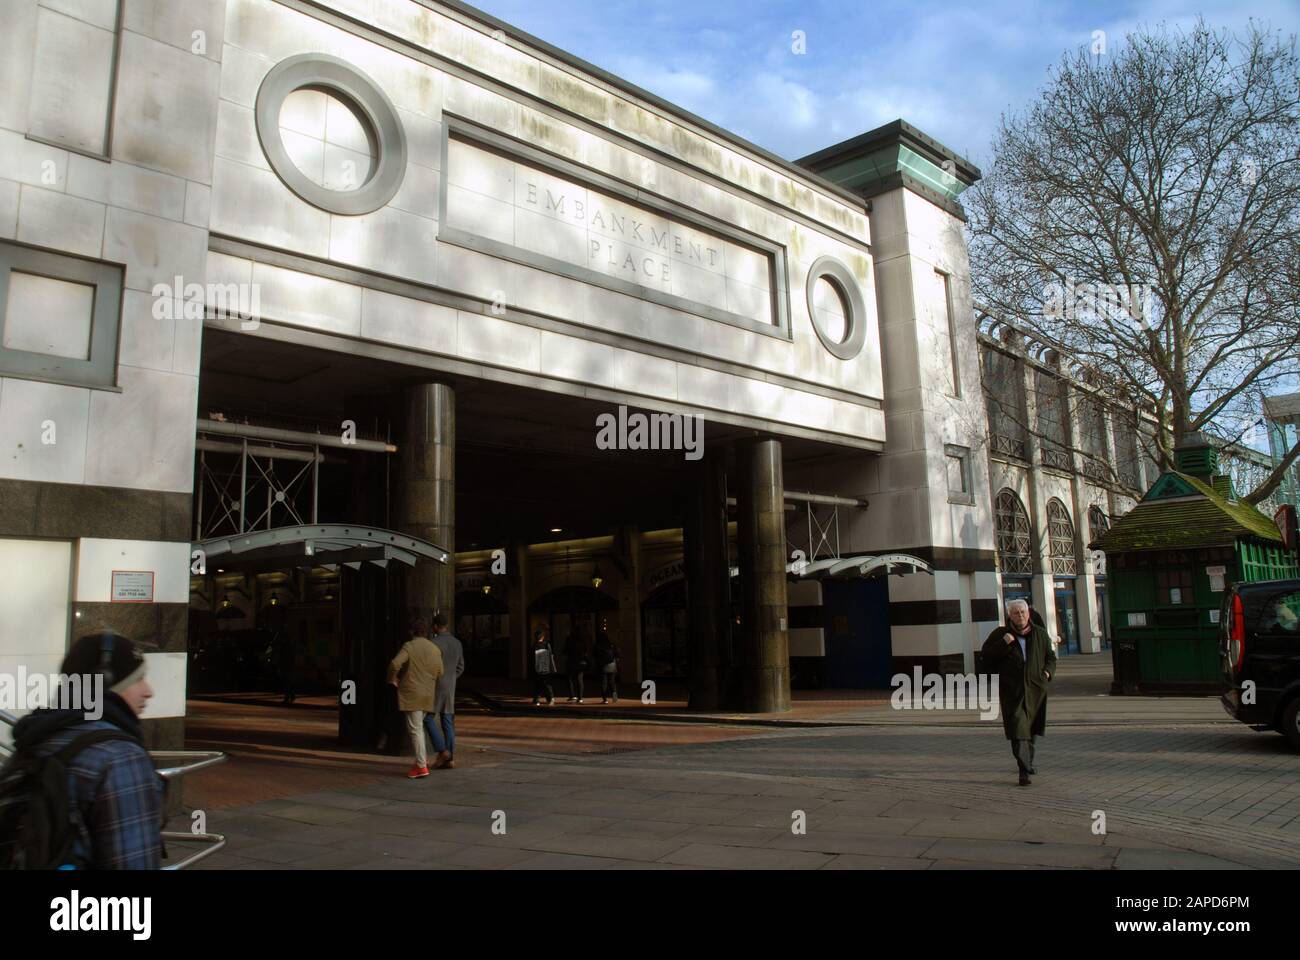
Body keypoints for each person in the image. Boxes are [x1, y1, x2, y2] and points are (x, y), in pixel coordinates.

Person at [5, 632, 163, 868]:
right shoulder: (119, 757)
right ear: (105, 681)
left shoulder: (38, 738)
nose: (148, 691)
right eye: (137, 679)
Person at [981, 599, 1056, 786]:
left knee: (1031, 729)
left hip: (1036, 690)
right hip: (1012, 692)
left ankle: (1028, 762)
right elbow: (986, 657)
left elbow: (1050, 657)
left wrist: (1047, 672)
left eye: (1023, 612)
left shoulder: (1039, 634)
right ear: (1010, 616)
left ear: (1028, 614)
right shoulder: (1001, 635)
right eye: (1016, 613)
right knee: (1018, 729)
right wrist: (1003, 644)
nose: (1020, 615)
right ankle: (1023, 771)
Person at [387, 617, 444, 779]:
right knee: (419, 728)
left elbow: (394, 664)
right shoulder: (434, 648)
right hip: (428, 693)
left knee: (415, 730)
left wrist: (392, 678)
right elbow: (440, 672)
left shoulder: (409, 646)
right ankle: (420, 762)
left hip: (412, 693)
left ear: (412, 632)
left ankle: (421, 766)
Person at [424, 613, 464, 770]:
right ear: (446, 626)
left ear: (435, 626)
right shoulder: (457, 643)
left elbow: (429, 667)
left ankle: (442, 750)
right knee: (448, 720)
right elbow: (461, 666)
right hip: (451, 685)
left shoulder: (433, 643)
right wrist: (452, 677)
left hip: (436, 685)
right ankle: (450, 758)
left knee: (428, 717)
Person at [530, 629, 556, 705]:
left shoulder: (534, 646)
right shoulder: (546, 645)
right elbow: (551, 656)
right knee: (547, 683)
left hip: (537, 668)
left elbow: (531, 658)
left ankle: (537, 699)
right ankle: (550, 698)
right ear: (543, 637)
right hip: (546, 667)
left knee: (537, 684)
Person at [564, 629, 589, 703]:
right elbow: (586, 652)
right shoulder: (583, 642)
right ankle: (580, 698)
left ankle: (572, 695)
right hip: (580, 663)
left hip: (571, 662)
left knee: (569, 679)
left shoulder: (570, 642)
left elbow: (564, 651)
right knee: (580, 680)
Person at [594, 632, 619, 703]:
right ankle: (615, 697)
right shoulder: (611, 645)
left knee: (603, 683)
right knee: (612, 682)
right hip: (612, 666)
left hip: (603, 666)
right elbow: (617, 654)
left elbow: (594, 654)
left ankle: (605, 699)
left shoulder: (598, 645)